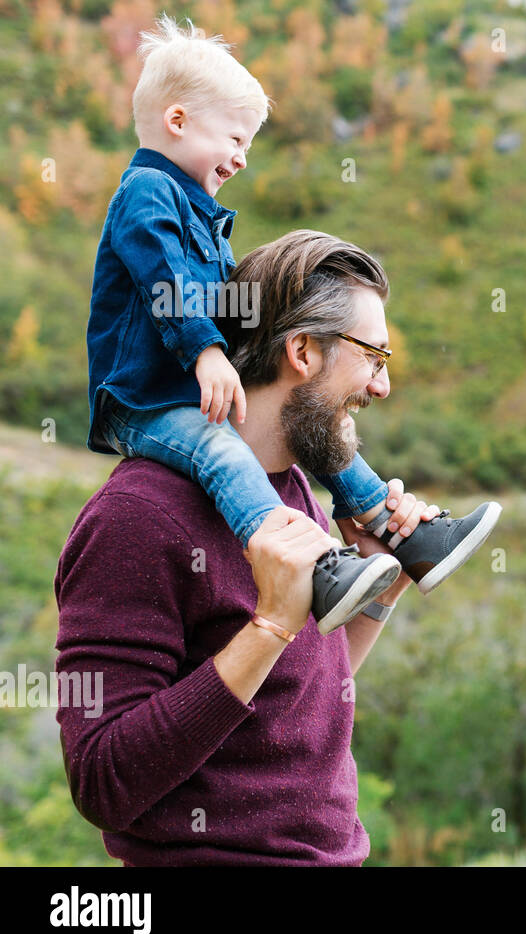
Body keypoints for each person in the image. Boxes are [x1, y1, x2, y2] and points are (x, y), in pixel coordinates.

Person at [56, 228, 460, 865]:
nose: (381, 387)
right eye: (373, 358)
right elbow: (103, 781)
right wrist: (269, 623)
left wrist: (384, 585)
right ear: (302, 350)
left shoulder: (290, 487)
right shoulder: (137, 516)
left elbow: (293, 702)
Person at [85, 14, 499, 633]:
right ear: (177, 122)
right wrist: (205, 352)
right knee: (221, 452)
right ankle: (314, 570)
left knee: (317, 433)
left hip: (186, 389)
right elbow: (164, 284)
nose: (243, 159)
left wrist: (260, 342)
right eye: (235, 139)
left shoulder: (204, 215)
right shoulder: (146, 193)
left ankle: (398, 536)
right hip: (141, 399)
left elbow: (325, 713)